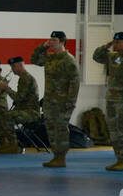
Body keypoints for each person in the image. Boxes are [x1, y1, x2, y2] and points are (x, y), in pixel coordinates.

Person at [31, 31, 80, 168]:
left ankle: (61, 157)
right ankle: (56, 156)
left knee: (61, 130)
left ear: (62, 42)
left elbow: (74, 83)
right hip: (49, 101)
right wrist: (43, 46)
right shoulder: (50, 58)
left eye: (54, 40)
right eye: (50, 40)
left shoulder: (69, 60)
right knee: (51, 129)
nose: (51, 42)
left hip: (63, 102)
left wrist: (70, 102)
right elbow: (34, 59)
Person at [93, 33, 123, 172]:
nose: (116, 44)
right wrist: (106, 46)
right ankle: (118, 158)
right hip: (111, 98)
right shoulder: (112, 57)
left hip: (122, 99)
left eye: (119, 42)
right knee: (113, 130)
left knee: (122, 129)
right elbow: (97, 56)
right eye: (115, 42)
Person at [7, 57, 40, 127]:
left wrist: (7, 89)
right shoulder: (23, 78)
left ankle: (10, 138)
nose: (12, 69)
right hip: (24, 110)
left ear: (21, 65)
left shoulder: (26, 78)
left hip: (31, 112)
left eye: (13, 66)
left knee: (5, 117)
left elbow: (18, 98)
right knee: (2, 116)